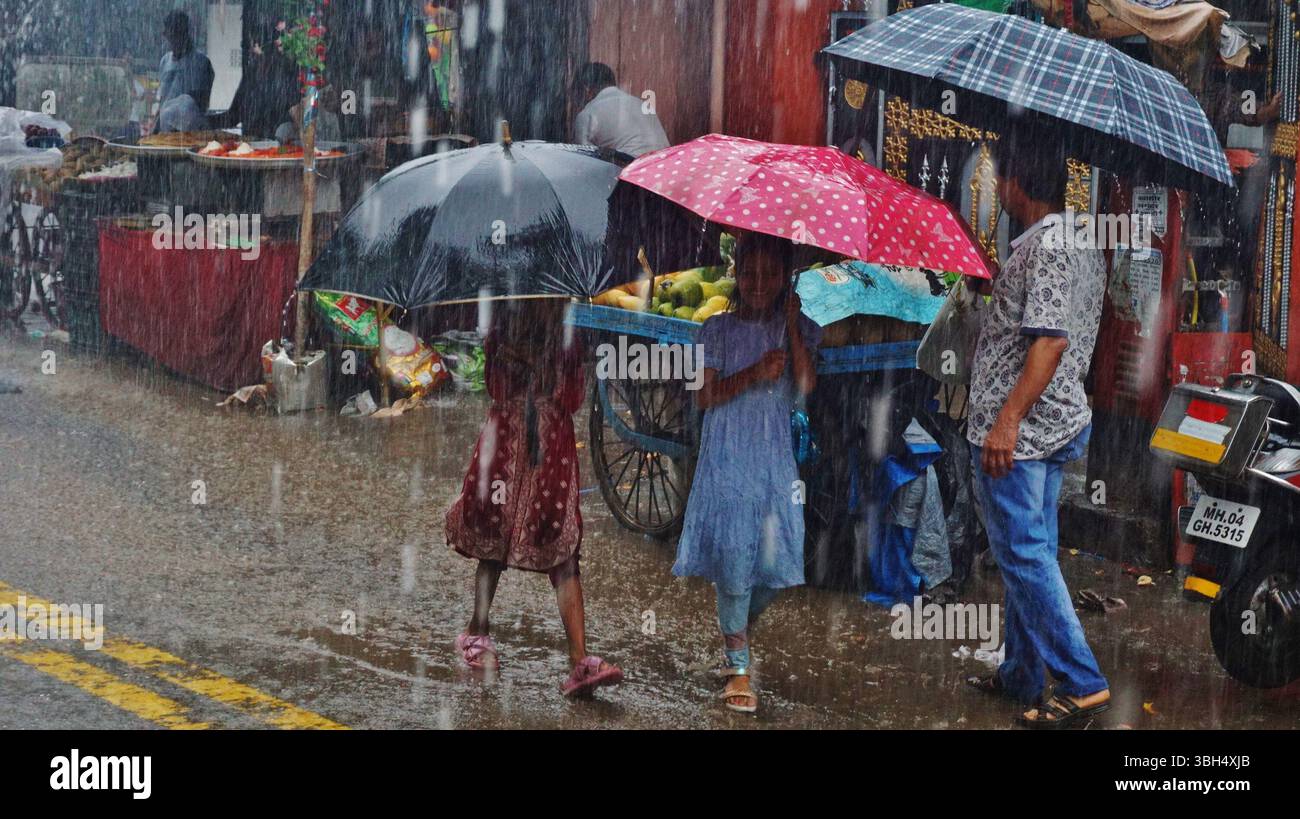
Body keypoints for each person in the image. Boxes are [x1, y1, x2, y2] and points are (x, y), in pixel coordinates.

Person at [964, 128, 1111, 728]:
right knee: (1032, 553)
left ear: (1017, 183)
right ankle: (1022, 673)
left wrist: (1006, 422)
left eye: (999, 176)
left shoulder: (1050, 244)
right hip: (1053, 425)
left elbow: (1050, 341)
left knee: (1024, 555)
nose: (995, 187)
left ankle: (1083, 682)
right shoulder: (1075, 240)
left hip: (1024, 435)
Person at [444, 300, 623, 698]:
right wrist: (517, 360)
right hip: (506, 441)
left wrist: (549, 371)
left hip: (552, 449)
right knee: (494, 541)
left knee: (561, 548)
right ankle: (478, 629)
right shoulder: (503, 328)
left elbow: (573, 396)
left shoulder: (569, 337)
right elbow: (495, 386)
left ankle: (579, 660)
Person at [672, 233, 821, 713]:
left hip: (775, 459)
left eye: (770, 274)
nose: (759, 283)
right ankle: (738, 668)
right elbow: (703, 396)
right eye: (750, 273)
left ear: (783, 279)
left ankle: (734, 630)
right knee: (736, 555)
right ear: (736, 273)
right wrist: (753, 372)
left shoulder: (791, 328)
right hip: (728, 457)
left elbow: (805, 386)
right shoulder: (716, 330)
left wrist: (794, 329)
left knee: (778, 563)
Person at [571, 62, 669, 158]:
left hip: (628, 169)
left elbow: (585, 159)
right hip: (662, 165)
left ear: (586, 89)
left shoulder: (588, 114)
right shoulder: (642, 105)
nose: (576, 99)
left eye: (577, 92)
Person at [156, 11, 214, 132]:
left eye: (174, 35)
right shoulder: (164, 61)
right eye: (169, 36)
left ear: (184, 34)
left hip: (190, 133)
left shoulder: (201, 63)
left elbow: (200, 102)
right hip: (165, 134)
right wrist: (156, 128)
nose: (171, 40)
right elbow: (163, 100)